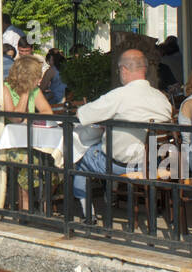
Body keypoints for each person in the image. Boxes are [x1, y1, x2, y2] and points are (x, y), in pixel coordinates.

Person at [71, 49, 172, 201]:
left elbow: (82, 114)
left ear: (123, 70)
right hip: (156, 162)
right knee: (104, 149)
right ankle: (109, 197)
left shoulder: (119, 95)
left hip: (124, 164)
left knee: (79, 156)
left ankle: (88, 215)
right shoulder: (161, 98)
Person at [0, 55, 58, 210]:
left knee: (55, 161)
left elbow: (47, 112)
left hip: (34, 141)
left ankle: (45, 205)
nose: (39, 81)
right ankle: (24, 208)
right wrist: (25, 93)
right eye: (36, 78)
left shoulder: (35, 90)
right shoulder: (5, 89)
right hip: (12, 144)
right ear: (27, 77)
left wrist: (31, 119)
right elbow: (16, 118)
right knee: (30, 163)